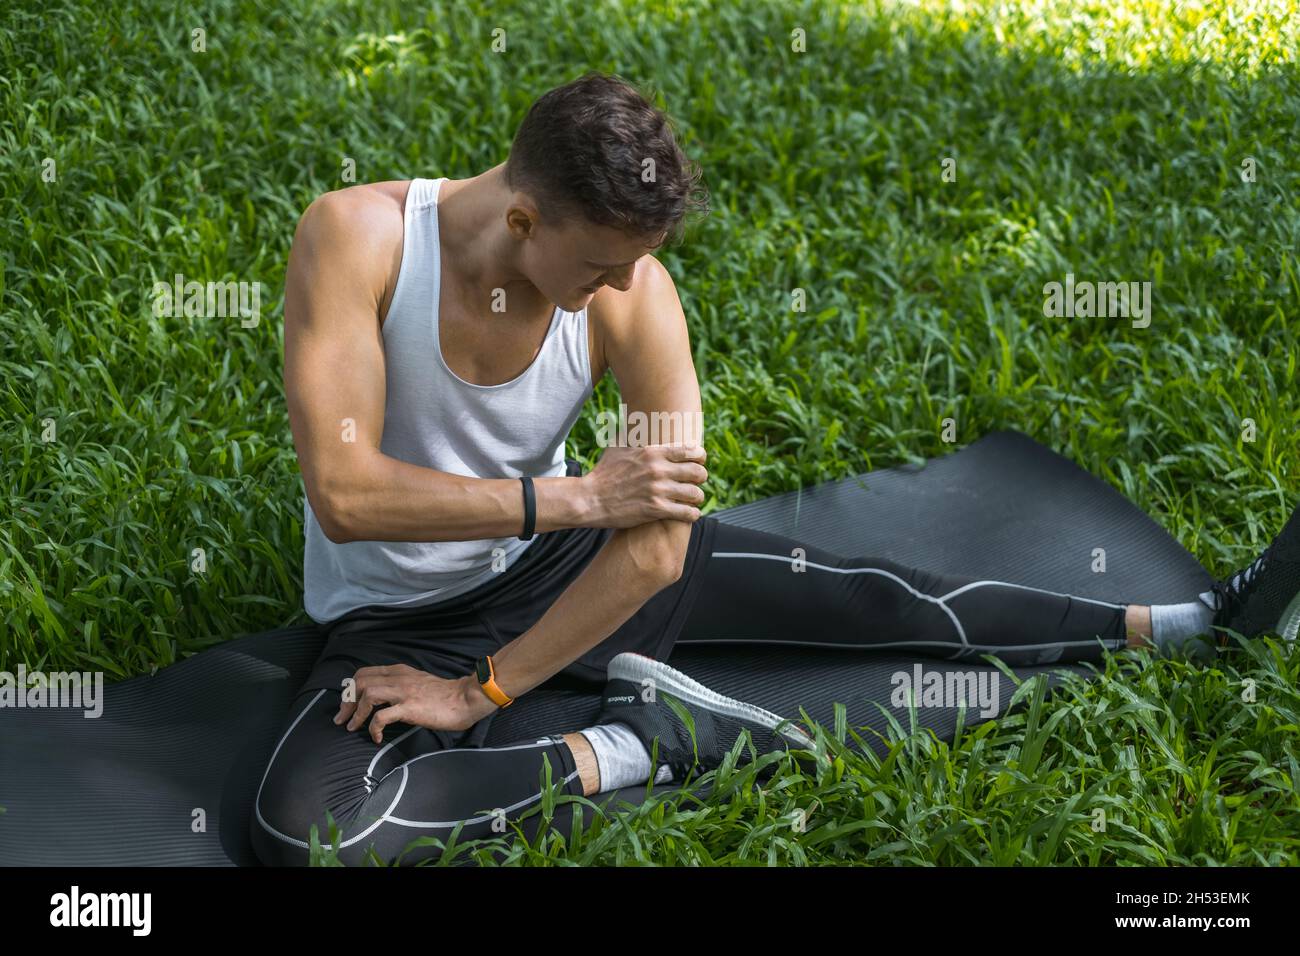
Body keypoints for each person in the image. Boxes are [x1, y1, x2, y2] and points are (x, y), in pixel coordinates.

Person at [251, 71, 1300, 866]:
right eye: (605, 263)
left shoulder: (634, 290)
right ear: (525, 219)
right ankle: (642, 742)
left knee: (868, 597)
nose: (626, 283)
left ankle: (1185, 621)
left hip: (569, 569)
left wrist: (485, 687)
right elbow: (348, 496)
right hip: (395, 615)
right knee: (302, 832)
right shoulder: (358, 238)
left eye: (637, 261)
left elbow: (654, 543)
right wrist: (574, 500)